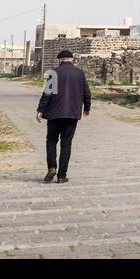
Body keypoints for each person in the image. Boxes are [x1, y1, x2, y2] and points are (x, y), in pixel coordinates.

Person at [36, 50, 91, 184]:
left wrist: (40, 109)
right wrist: (87, 108)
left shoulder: (54, 73)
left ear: (59, 60)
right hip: (72, 114)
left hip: (54, 114)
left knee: (51, 141)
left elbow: (47, 93)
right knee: (66, 144)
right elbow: (86, 92)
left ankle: (52, 167)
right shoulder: (79, 73)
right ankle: (62, 175)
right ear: (72, 60)